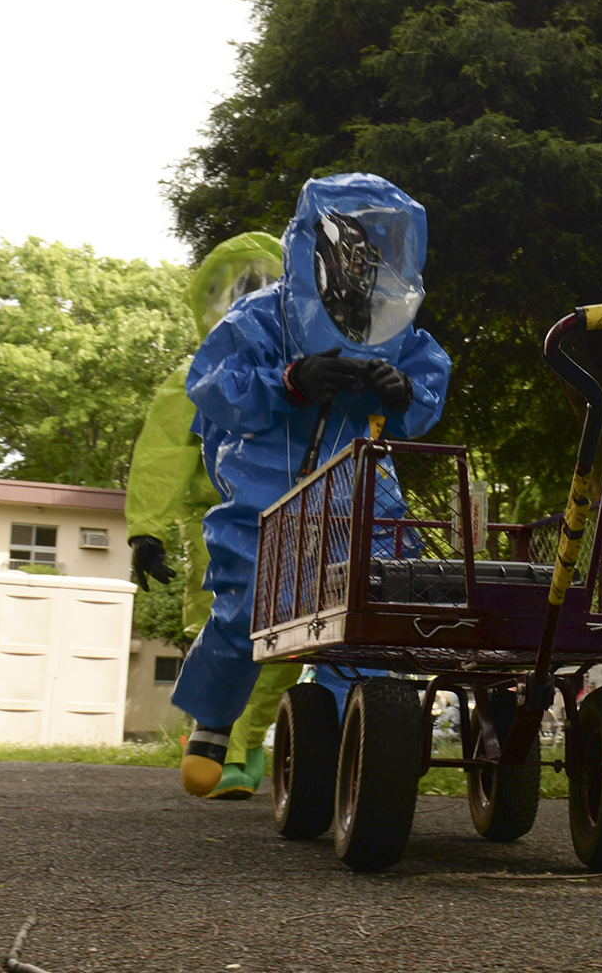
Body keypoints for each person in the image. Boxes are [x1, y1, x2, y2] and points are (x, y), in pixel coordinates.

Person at [171, 173, 452, 797]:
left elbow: (427, 381)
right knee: (246, 605)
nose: (362, 257)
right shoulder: (259, 316)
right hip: (265, 487)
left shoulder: (389, 321)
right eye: (350, 242)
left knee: (364, 607)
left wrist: (403, 393)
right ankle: (213, 718)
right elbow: (212, 386)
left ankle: (344, 739)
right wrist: (291, 381)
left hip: (362, 489)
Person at [125, 234, 293, 797]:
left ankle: (243, 745)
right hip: (218, 521)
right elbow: (162, 455)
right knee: (228, 626)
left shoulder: (303, 377)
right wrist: (145, 530)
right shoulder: (193, 377)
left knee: (289, 639)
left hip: (301, 518)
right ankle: (223, 739)